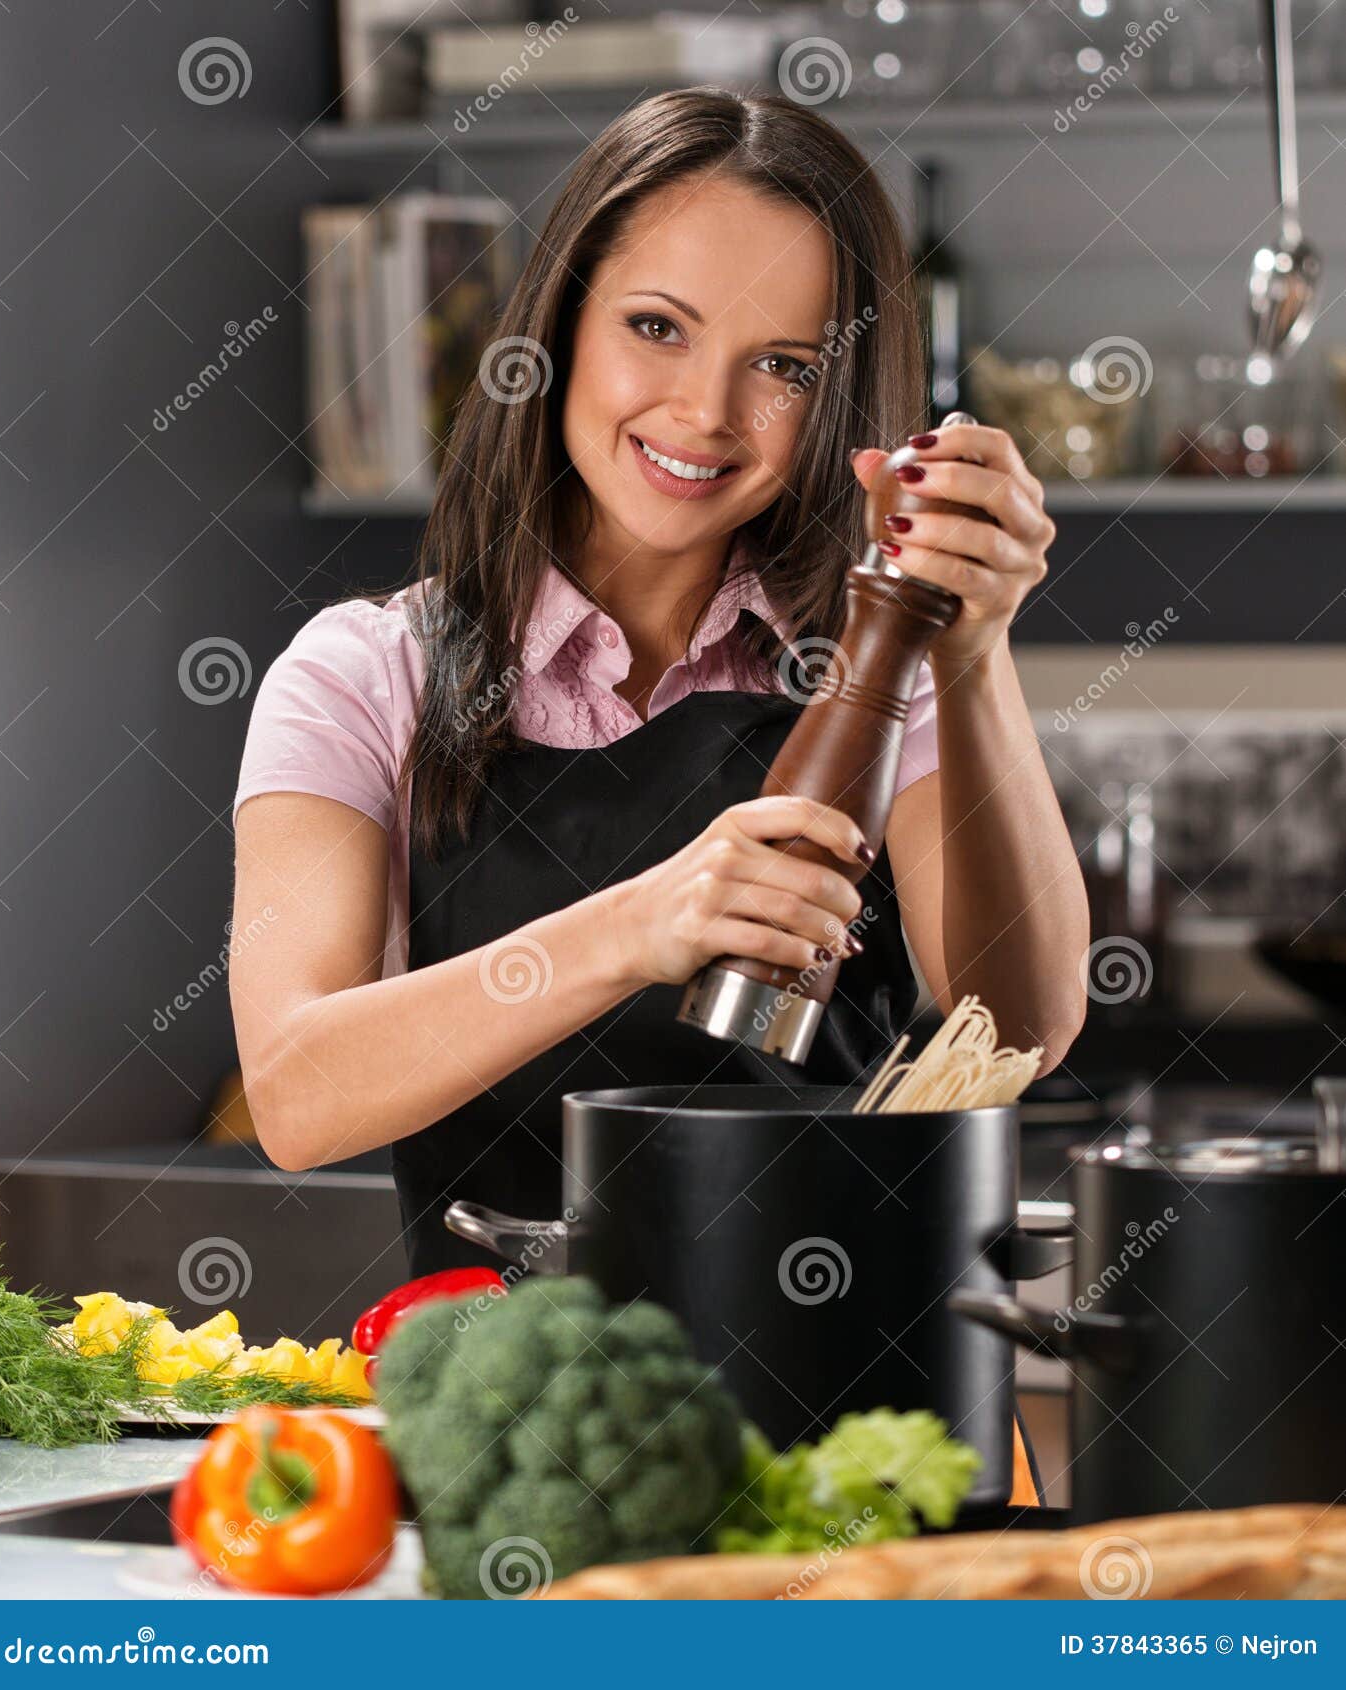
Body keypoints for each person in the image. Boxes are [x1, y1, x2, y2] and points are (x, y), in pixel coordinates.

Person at [231, 87, 1088, 1272]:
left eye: (781, 364)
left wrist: (975, 649)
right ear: (561, 326)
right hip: (508, 1411)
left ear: (834, 396)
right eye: (656, 327)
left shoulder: (879, 670)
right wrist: (641, 923)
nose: (704, 411)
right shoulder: (363, 677)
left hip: (840, 1409)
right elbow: (293, 1094)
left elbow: (1024, 1027)